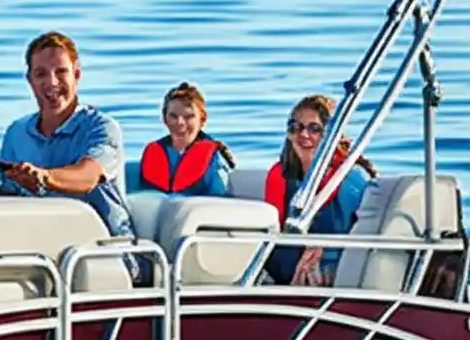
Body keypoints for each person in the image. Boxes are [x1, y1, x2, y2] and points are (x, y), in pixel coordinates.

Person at [0, 31, 137, 276]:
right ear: (29, 80)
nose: (51, 83)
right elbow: (5, 194)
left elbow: (89, 175)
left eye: (61, 72)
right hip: (41, 254)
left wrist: (44, 177)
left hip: (106, 255)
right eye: (41, 74)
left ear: (77, 75)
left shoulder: (101, 127)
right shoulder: (16, 133)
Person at [263, 94, 377, 286]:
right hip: (289, 266)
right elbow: (274, 232)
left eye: (314, 129)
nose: (303, 135)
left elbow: (365, 237)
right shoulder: (281, 175)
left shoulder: (351, 179)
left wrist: (323, 249)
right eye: (295, 127)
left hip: (336, 266)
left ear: (332, 135)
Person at [138, 82, 235, 196]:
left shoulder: (216, 157)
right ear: (165, 119)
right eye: (173, 116)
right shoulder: (153, 152)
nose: (180, 122)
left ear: (202, 119)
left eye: (189, 117)